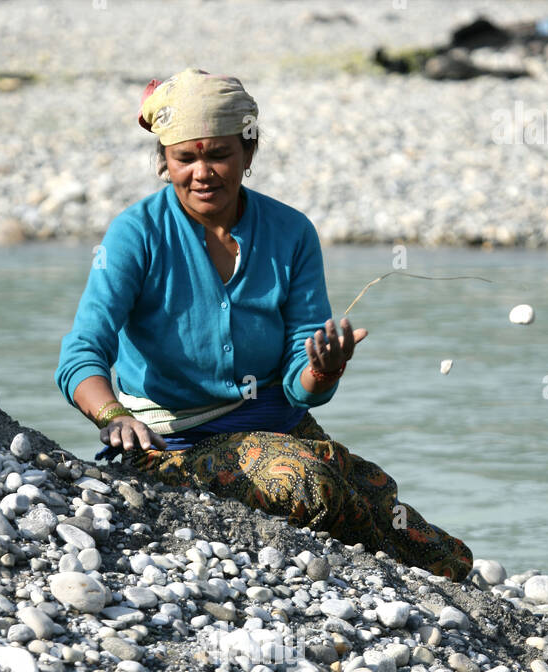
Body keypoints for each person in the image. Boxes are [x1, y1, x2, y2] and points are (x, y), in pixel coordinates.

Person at [55, 67, 472, 580]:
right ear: (164, 162)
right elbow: (81, 354)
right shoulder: (135, 234)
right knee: (308, 484)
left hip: (283, 426)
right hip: (175, 449)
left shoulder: (291, 232)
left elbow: (303, 387)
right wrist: (113, 417)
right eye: (185, 157)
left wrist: (325, 368)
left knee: (434, 547)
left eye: (219, 154)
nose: (202, 172)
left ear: (248, 154)